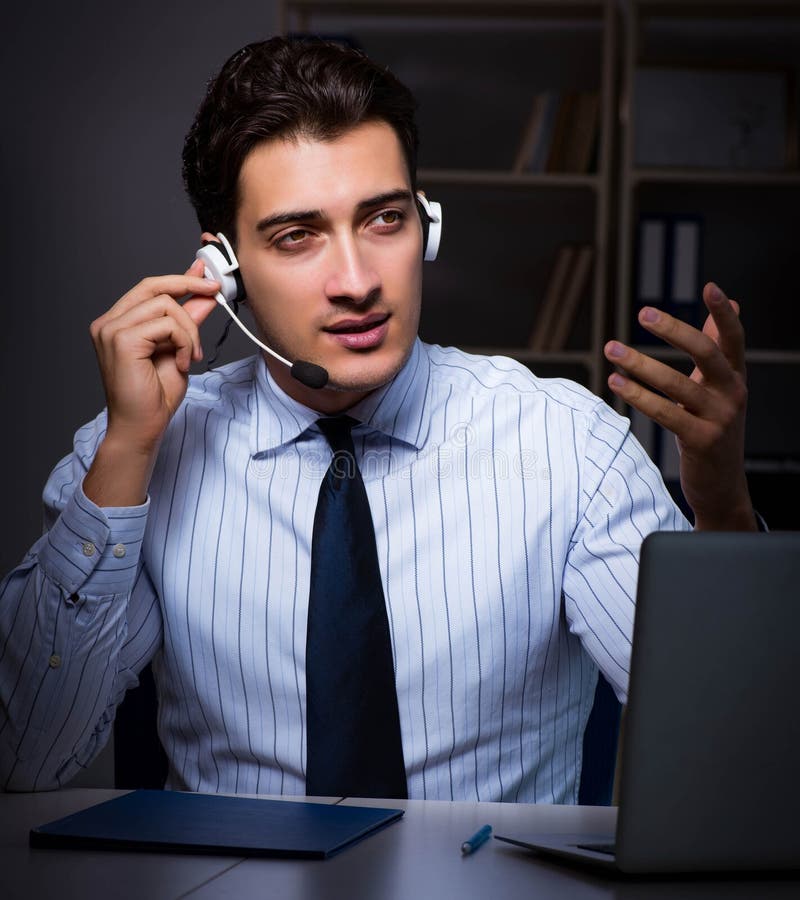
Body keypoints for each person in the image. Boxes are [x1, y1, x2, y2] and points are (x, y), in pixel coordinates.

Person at [0, 37, 755, 800]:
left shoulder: (568, 444)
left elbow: (738, 743)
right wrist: (129, 450)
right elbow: (22, 755)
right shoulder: (137, 452)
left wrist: (723, 513)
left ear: (425, 227)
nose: (357, 281)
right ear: (221, 271)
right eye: (297, 236)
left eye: (384, 220)